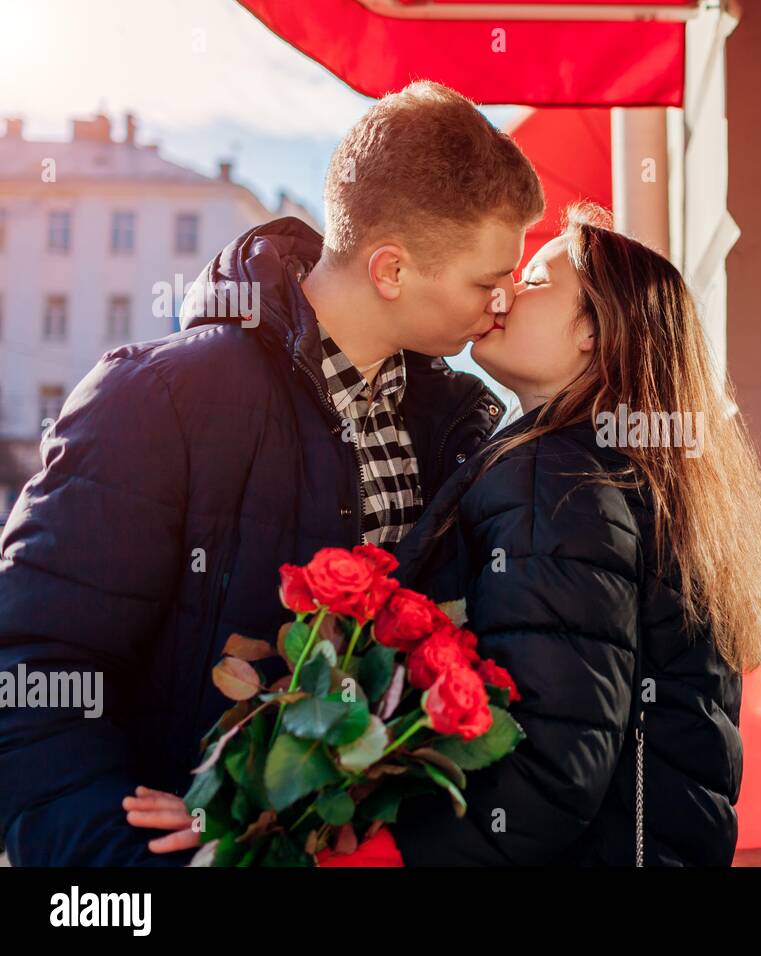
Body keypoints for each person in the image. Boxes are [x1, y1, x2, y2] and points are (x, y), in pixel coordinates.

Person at [0, 80, 543, 866]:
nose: (503, 307)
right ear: (391, 270)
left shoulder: (457, 423)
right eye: (486, 282)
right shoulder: (158, 398)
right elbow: (31, 677)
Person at [362, 204, 761, 864]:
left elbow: (548, 773)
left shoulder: (554, 475)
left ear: (595, 329)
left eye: (535, 281)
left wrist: (369, 848)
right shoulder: (639, 472)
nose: (504, 293)